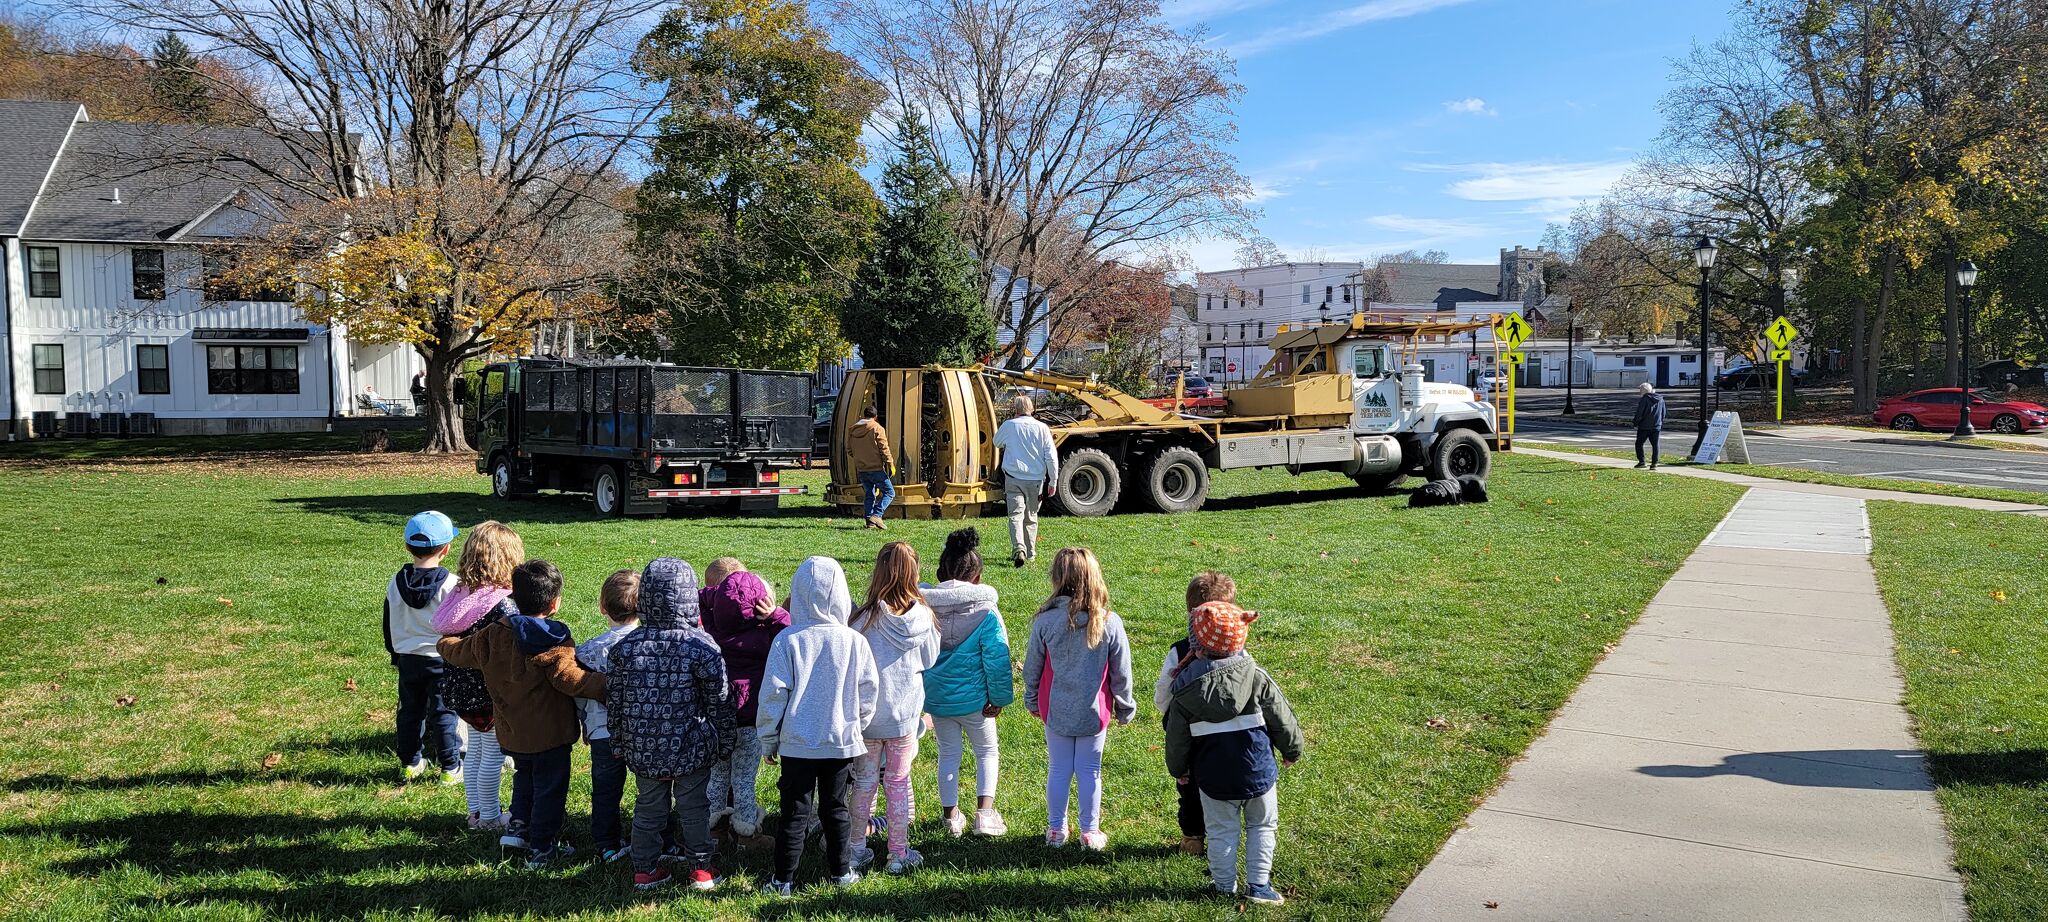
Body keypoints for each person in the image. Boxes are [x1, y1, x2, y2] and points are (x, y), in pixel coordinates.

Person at [437, 560, 610, 868]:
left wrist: (444, 642)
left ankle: (518, 828)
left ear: (513, 597)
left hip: (512, 730)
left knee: (524, 776)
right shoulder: (555, 640)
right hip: (550, 734)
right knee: (550, 790)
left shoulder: (490, 636)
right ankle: (543, 847)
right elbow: (570, 679)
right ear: (555, 603)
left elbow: (458, 651)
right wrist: (611, 685)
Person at [604, 558, 735, 892]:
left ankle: (645, 869)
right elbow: (720, 700)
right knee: (694, 809)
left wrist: (619, 741)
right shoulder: (701, 647)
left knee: (648, 808)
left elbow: (615, 702)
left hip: (643, 747)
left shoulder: (624, 649)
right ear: (690, 597)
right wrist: (726, 740)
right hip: (691, 746)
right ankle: (701, 870)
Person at [1163, 600, 1305, 906]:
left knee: (1220, 830)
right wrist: (1292, 749)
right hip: (1258, 771)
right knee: (1262, 825)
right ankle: (1259, 885)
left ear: (1197, 645)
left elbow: (1177, 739)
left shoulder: (1185, 691)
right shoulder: (1257, 677)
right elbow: (1282, 717)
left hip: (1212, 778)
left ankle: (1223, 885)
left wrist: (1180, 769)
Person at [757, 557, 880, 896]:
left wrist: (768, 738)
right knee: (836, 808)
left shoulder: (787, 640)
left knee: (794, 813)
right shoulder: (854, 641)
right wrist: (858, 724)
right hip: (841, 741)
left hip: (797, 742)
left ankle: (783, 880)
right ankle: (841, 873)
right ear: (841, 594)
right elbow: (869, 690)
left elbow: (772, 695)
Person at [1022, 547, 1135, 850]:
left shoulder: (1045, 622)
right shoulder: (1110, 623)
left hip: (1055, 709)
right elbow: (1122, 674)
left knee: (1059, 769)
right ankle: (1090, 831)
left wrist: (1031, 700)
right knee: (1090, 770)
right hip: (1094, 713)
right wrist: (1125, 706)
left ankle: (1056, 830)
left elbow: (1031, 668)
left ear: (1057, 578)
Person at [847, 542, 941, 874]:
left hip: (868, 717)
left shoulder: (861, 619)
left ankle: (855, 849)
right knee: (898, 782)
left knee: (864, 782)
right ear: (914, 573)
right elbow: (929, 659)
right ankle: (898, 854)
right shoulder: (924, 617)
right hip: (903, 717)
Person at [431, 520, 523, 832]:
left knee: (476, 751)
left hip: (459, 689)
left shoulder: (460, 594)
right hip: (488, 691)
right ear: (510, 559)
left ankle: (475, 812)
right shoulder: (500, 605)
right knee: (493, 755)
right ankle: (490, 817)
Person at [921, 528, 1013, 837]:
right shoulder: (987, 611)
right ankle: (984, 814)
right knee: (987, 752)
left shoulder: (923, 608)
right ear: (977, 575)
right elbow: (998, 659)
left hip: (937, 701)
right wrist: (998, 697)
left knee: (948, 754)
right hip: (977, 702)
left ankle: (951, 817)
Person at [1152, 571, 1237, 856]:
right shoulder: (1238, 650)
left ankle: (1193, 837)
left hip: (1188, 732)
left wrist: (1171, 716)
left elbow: (1163, 692)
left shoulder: (1181, 651)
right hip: (1228, 732)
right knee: (1221, 783)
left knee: (1189, 785)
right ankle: (1220, 835)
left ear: (1190, 613)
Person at [703, 569, 790, 839]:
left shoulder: (711, 631)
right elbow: (789, 631)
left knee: (717, 776)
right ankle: (745, 829)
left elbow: (697, 600)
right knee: (743, 779)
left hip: (717, 720)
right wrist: (775, 613)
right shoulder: (764, 637)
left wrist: (717, 595)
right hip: (750, 721)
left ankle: (712, 826)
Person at [387, 511, 463, 785]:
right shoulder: (452, 585)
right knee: (443, 713)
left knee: (410, 711)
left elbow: (389, 620)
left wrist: (394, 652)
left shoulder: (395, 582)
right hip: (441, 660)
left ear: (408, 546)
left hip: (408, 657)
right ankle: (450, 767)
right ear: (446, 549)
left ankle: (410, 762)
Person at [575, 569, 641, 864]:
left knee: (605, 789)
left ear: (602, 605)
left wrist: (584, 721)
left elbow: (578, 690)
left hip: (602, 730)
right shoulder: (650, 646)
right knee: (651, 787)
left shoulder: (587, 651)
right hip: (644, 730)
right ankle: (657, 837)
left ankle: (607, 842)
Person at [992, 395, 1060, 567]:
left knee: (1015, 515)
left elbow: (996, 442)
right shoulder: (1042, 428)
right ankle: (1030, 553)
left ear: (1015, 409)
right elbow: (1051, 456)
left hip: (1013, 478)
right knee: (1031, 516)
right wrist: (1053, 480)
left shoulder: (1009, 426)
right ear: (1032, 409)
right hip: (1035, 480)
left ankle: (1018, 548)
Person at [848, 405, 896, 530]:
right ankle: (877, 515)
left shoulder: (852, 430)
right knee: (889, 493)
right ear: (875, 417)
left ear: (864, 416)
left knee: (869, 494)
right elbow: (884, 448)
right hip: (876, 468)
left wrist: (860, 459)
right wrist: (890, 463)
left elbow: (849, 450)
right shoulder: (877, 428)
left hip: (862, 469)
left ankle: (869, 522)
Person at [1633, 381, 1666, 470]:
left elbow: (1640, 413)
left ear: (1643, 391)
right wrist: (1660, 422)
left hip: (1644, 426)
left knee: (1639, 444)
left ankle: (1642, 461)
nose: (1639, 392)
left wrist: (1635, 422)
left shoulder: (1644, 399)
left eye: (1640, 390)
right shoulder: (1660, 399)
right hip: (1656, 425)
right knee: (1655, 445)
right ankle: (1654, 463)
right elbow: (1663, 413)